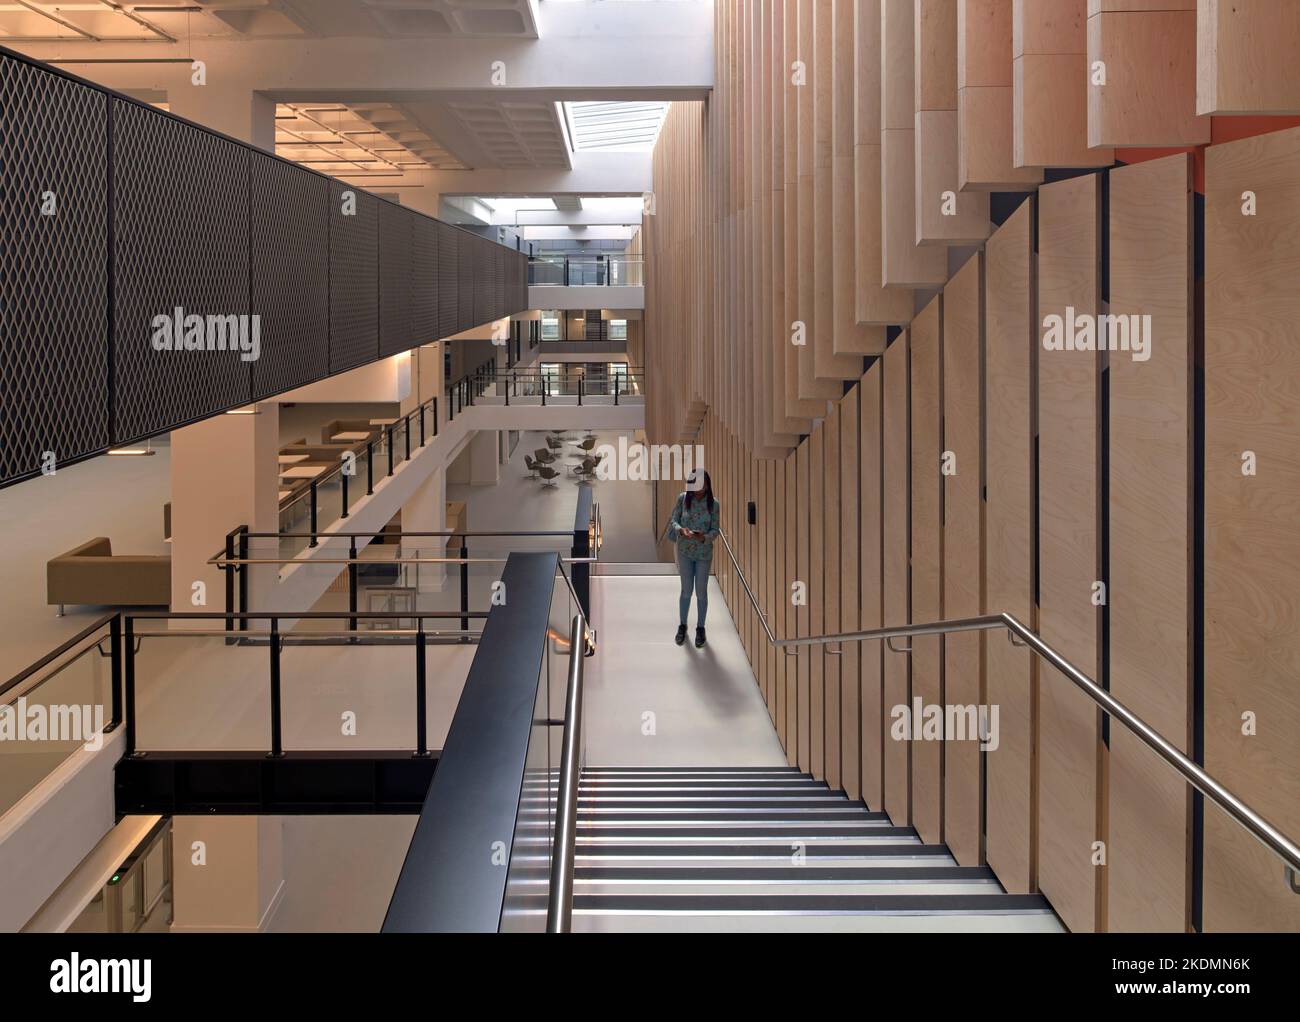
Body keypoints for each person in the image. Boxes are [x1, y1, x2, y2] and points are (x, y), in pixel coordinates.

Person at [666, 469, 720, 648]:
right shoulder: (683, 499)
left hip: (703, 553)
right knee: (686, 591)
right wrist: (681, 529)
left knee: (701, 592)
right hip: (685, 552)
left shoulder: (713, 504)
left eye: (703, 484)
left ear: (707, 484)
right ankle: (682, 626)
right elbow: (674, 520)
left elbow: (715, 530)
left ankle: (700, 628)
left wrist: (703, 537)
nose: (699, 488)